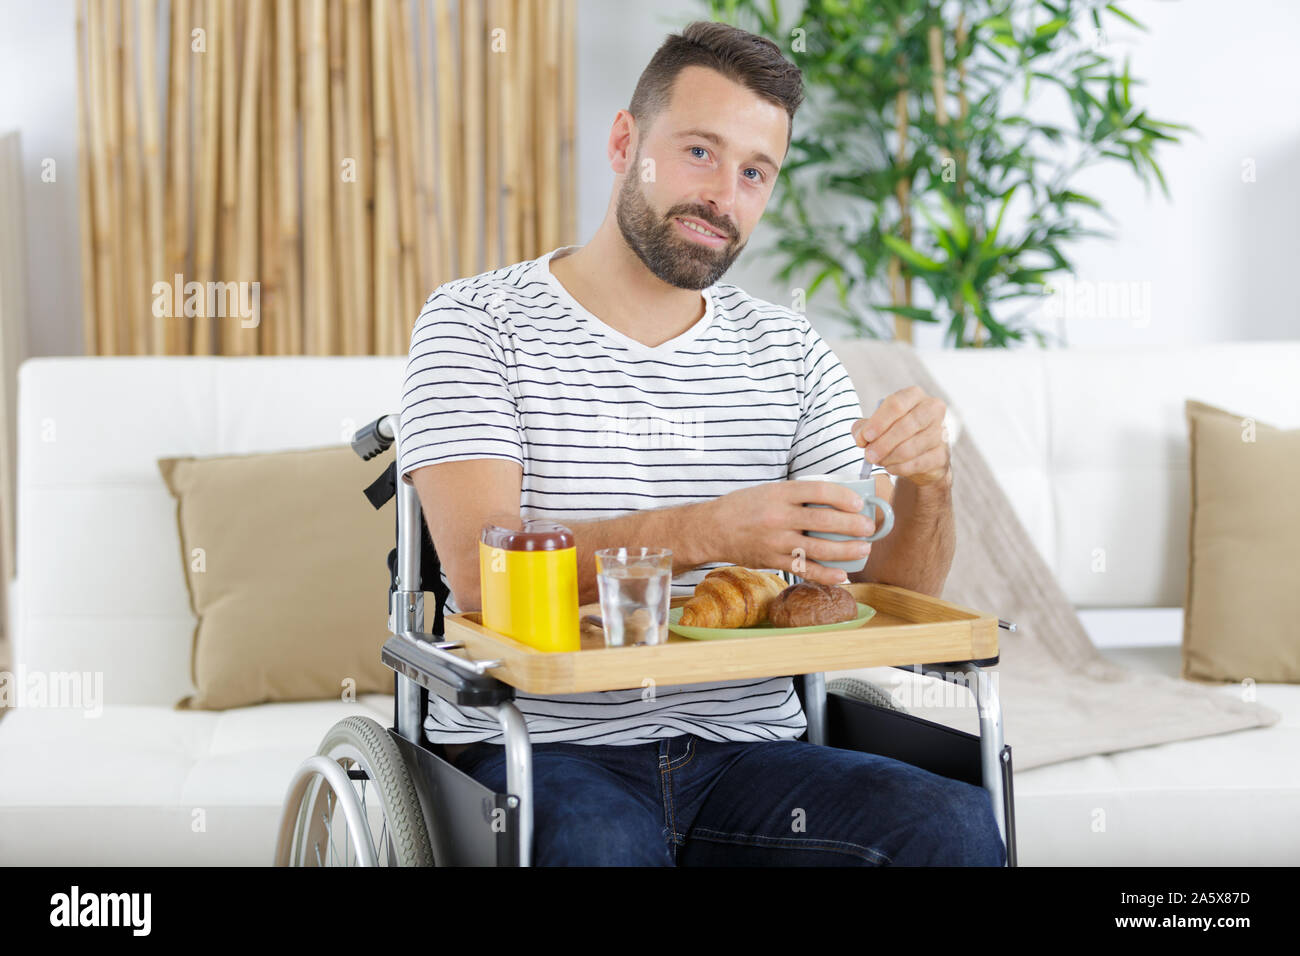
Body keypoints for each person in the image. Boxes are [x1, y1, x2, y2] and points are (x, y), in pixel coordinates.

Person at [398, 20, 1003, 866]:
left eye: (755, 171)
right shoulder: (476, 323)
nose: (724, 194)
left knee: (954, 826)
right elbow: (482, 570)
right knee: (600, 846)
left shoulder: (792, 354)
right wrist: (716, 529)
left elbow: (883, 588)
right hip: (538, 746)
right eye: (698, 152)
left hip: (749, 752)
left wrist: (932, 483)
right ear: (624, 142)